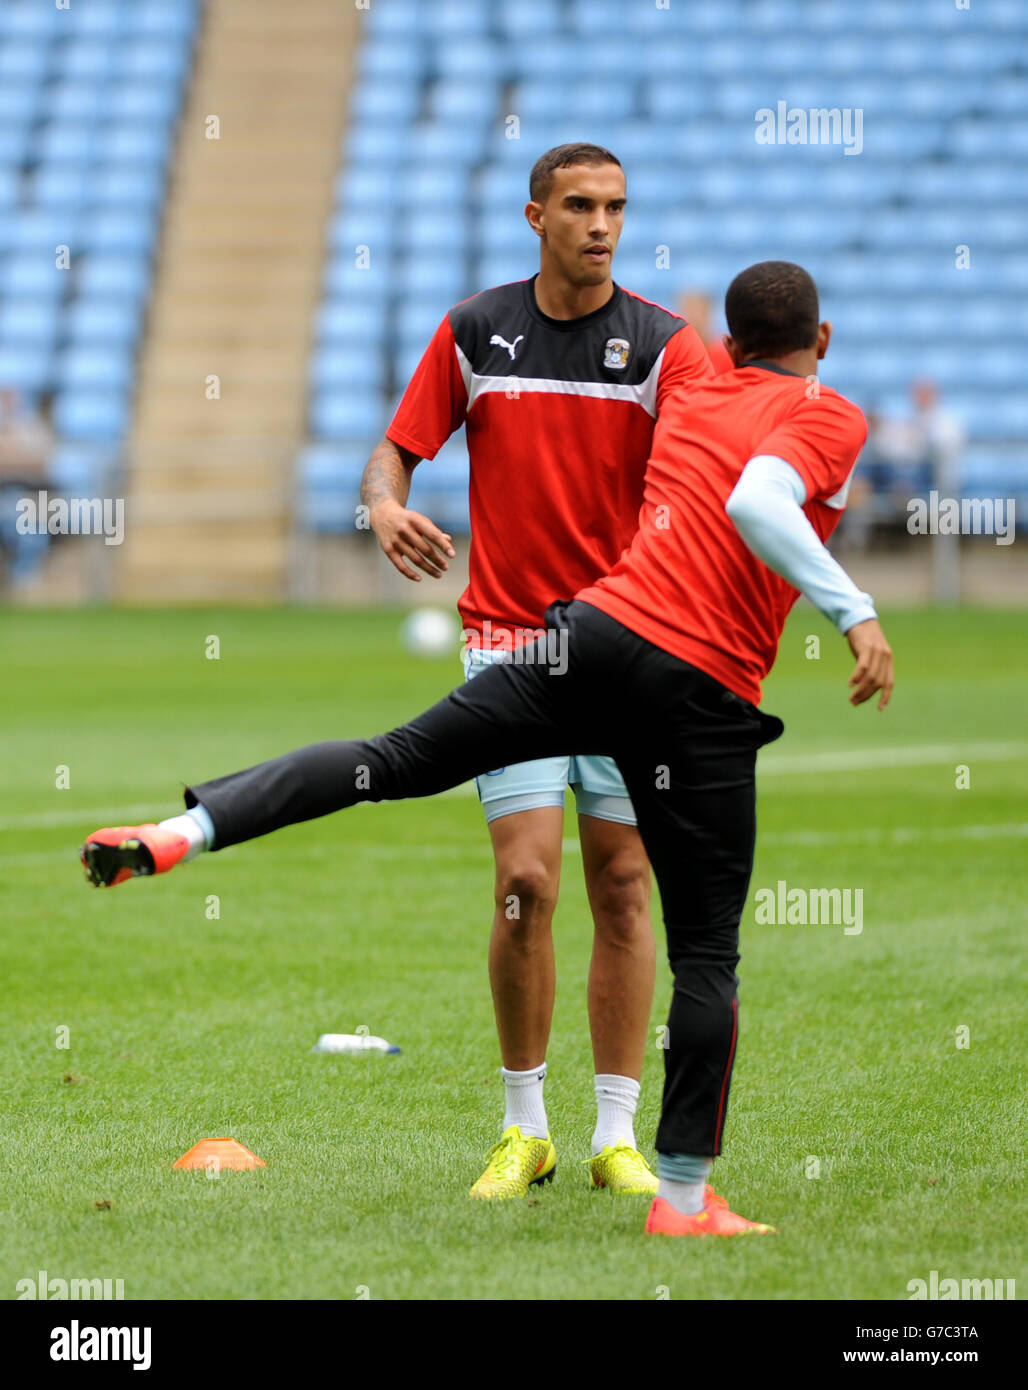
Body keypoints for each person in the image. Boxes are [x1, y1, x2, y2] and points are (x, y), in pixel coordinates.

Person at [80, 261, 894, 1239]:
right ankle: (679, 1199)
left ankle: (187, 828)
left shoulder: (699, 386)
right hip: (697, 693)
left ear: (724, 348)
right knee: (706, 954)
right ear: (825, 339)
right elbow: (760, 503)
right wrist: (855, 612)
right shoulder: (823, 411)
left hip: (583, 639)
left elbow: (698, 402)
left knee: (391, 760)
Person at [359, 143, 715, 1199]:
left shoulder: (663, 347)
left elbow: (703, 488)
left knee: (620, 885)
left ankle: (614, 1136)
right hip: (509, 641)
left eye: (613, 205)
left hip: (630, 646)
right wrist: (382, 504)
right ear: (534, 216)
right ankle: (525, 1130)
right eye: (577, 205)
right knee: (524, 883)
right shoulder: (475, 330)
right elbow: (395, 449)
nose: (599, 223)